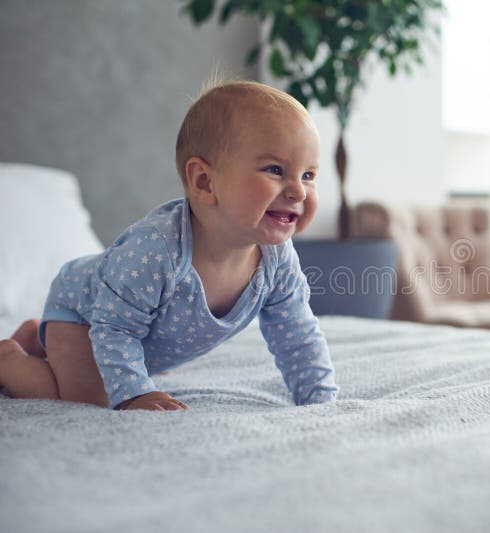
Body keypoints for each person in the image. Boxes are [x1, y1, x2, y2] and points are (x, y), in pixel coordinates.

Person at [0, 80, 339, 411]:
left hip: (133, 333)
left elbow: (296, 331)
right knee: (89, 397)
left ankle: (36, 336)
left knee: (124, 366)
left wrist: (320, 398)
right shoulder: (157, 251)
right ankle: (10, 359)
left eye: (309, 175)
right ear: (205, 182)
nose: (299, 191)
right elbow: (115, 329)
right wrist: (134, 393)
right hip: (84, 316)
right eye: (276, 170)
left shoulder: (276, 258)